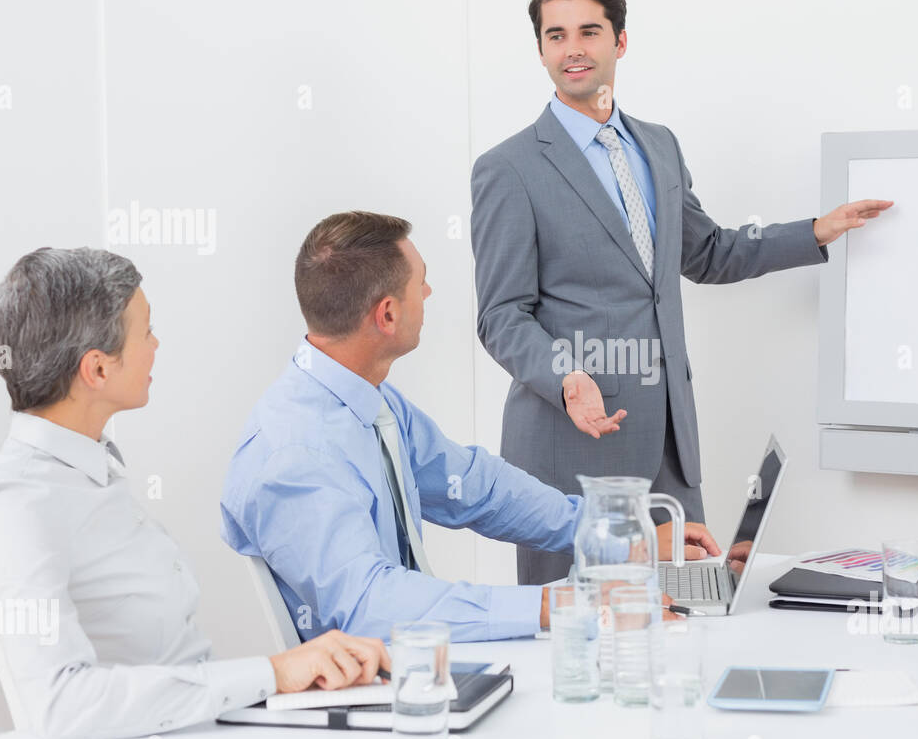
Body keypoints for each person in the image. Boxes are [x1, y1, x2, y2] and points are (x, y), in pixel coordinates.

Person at [471, 0, 892, 584]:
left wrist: (815, 232)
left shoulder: (658, 146)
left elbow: (709, 253)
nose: (573, 49)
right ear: (540, 50)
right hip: (572, 449)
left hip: (669, 445)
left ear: (619, 41)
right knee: (574, 641)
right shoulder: (508, 168)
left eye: (589, 31)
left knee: (681, 618)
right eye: (556, 36)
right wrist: (566, 379)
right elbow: (501, 315)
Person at [0, 248, 391, 739]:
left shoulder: (90, 469)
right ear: (97, 370)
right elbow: (61, 704)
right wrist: (272, 674)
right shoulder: (17, 501)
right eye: (145, 331)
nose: (157, 343)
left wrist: (282, 682)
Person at [220, 211, 699, 644]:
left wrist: (607, 535)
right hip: (376, 692)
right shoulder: (298, 453)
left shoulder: (368, 402)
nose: (427, 294)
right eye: (421, 283)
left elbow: (474, 486)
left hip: (415, 662)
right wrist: (560, 606)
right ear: (387, 314)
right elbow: (369, 606)